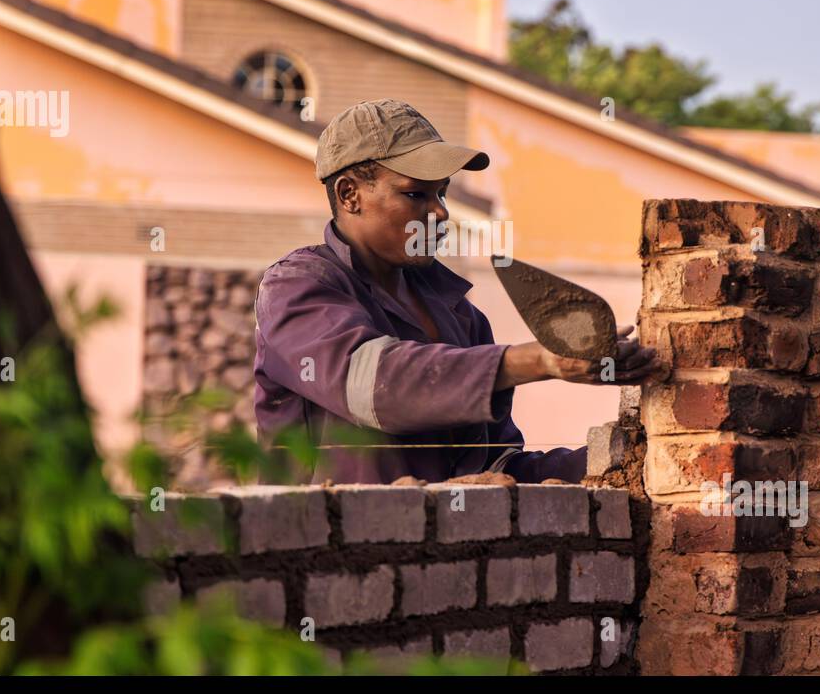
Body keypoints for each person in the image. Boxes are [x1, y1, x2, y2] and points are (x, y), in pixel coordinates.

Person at [253, 98, 658, 484]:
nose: (440, 212)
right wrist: (537, 361)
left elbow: (492, 468)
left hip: (441, 552)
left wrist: (633, 457)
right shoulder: (297, 286)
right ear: (349, 194)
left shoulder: (459, 314)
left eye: (442, 192)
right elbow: (373, 385)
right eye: (416, 194)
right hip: (333, 549)